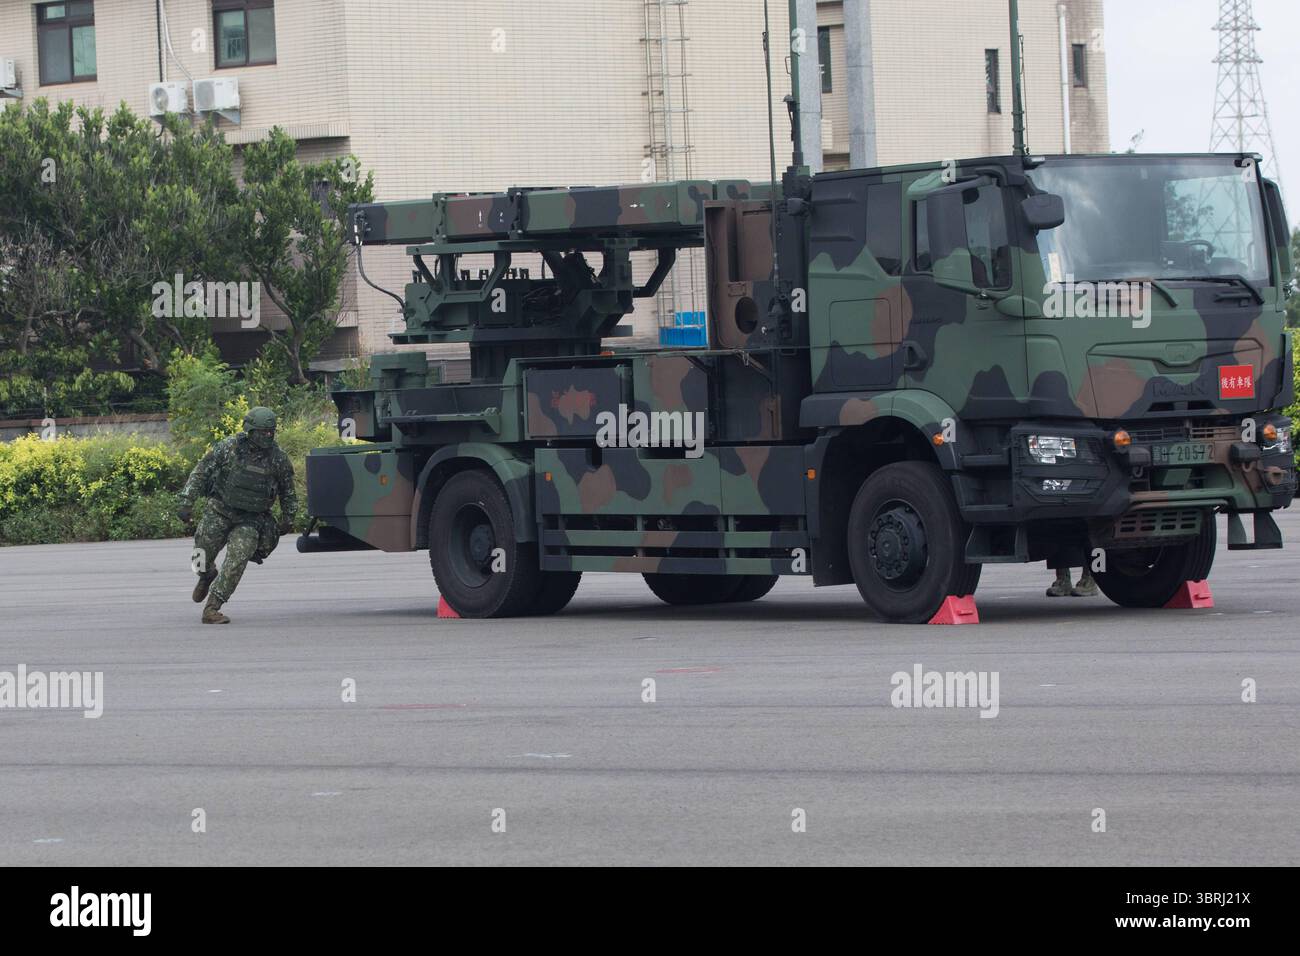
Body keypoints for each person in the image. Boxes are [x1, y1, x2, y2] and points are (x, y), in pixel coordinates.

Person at [177, 407, 297, 624]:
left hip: (251, 519)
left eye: (271, 432)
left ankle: (212, 608)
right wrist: (186, 501)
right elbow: (201, 471)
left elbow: (288, 491)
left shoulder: (278, 459)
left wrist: (289, 518)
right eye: (263, 432)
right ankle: (205, 576)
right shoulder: (228, 448)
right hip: (219, 511)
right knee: (198, 556)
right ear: (250, 431)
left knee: (236, 561)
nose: (268, 436)